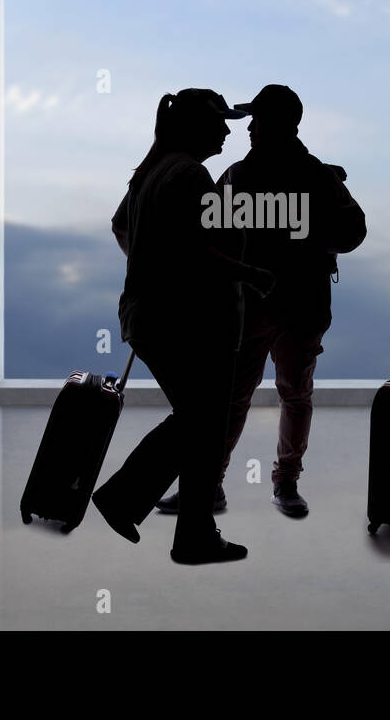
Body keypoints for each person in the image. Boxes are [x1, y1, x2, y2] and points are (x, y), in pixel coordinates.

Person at [153, 85, 366, 518]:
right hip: (293, 304)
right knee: (290, 394)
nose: (249, 127)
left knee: (243, 397)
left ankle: (217, 484)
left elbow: (204, 229)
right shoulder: (318, 177)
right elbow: (352, 233)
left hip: (254, 306)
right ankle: (279, 483)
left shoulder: (239, 176)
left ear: (281, 124)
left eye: (258, 119)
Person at [92, 88, 275, 565]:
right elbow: (193, 250)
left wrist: (150, 270)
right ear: (198, 126)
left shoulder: (151, 171)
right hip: (189, 326)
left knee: (203, 427)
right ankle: (127, 500)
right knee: (202, 423)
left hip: (152, 317)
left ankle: (191, 534)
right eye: (220, 123)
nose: (229, 132)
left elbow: (126, 229)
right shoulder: (190, 175)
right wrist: (249, 274)